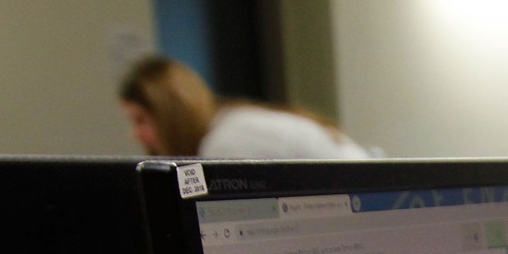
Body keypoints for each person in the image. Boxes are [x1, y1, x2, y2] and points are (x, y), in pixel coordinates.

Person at [118, 55, 369, 160]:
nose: (135, 134)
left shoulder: (225, 145)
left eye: (140, 120)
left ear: (170, 113)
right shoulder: (235, 122)